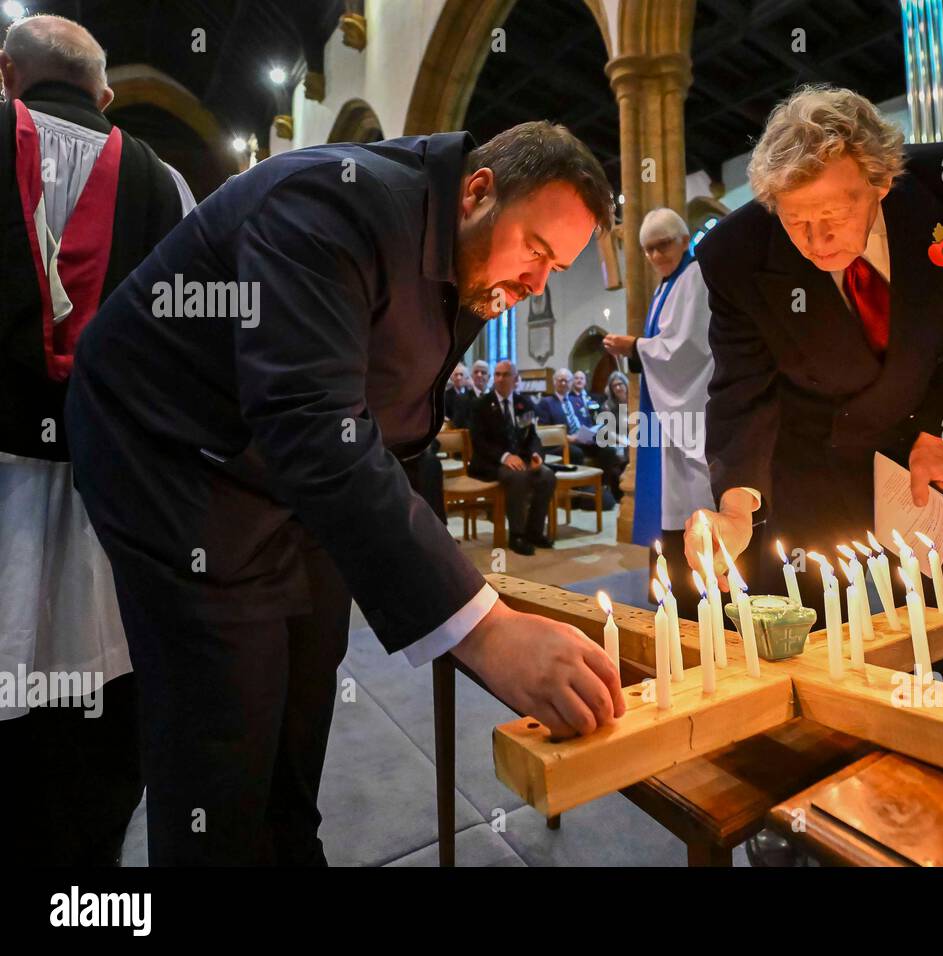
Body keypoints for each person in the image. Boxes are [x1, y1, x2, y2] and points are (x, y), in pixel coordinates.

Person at [64, 120, 625, 865]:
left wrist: (451, 588)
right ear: (478, 191)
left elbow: (381, 423)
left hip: (291, 477)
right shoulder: (331, 205)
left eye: (556, 270)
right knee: (225, 726)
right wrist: (487, 630)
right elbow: (309, 418)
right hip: (177, 464)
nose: (534, 285)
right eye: (536, 251)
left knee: (303, 698)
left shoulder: (457, 254)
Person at [683, 85, 943, 613]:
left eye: (834, 217)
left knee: (935, 627)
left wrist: (940, 432)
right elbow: (741, 387)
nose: (818, 242)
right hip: (808, 453)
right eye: (797, 222)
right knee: (803, 630)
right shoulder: (735, 253)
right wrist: (735, 507)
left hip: (920, 443)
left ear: (882, 180)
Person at [0, 13, 194, 865]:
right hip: (110, 521)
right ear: (105, 96)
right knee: (98, 761)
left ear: (6, 74)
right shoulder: (169, 185)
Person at [604, 207, 715, 608]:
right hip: (669, 410)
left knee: (689, 496)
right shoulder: (664, 286)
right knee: (671, 499)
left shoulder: (695, 278)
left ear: (684, 241)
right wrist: (637, 348)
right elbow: (667, 347)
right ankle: (675, 592)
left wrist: (634, 346)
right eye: (648, 249)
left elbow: (687, 349)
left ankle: (696, 596)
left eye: (662, 245)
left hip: (690, 410)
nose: (655, 256)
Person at [469, 359, 557, 555]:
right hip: (490, 463)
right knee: (518, 476)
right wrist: (506, 456)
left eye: (505, 374)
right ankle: (517, 535)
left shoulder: (523, 404)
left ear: (515, 379)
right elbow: (479, 441)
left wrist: (535, 454)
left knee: (547, 476)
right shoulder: (481, 404)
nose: (500, 379)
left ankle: (534, 531)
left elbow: (531, 435)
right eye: (497, 374)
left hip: (521, 459)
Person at [536, 365, 622, 505]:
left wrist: (590, 434)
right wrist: (569, 439)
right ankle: (578, 493)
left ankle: (602, 488)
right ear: (554, 382)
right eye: (560, 380)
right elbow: (545, 431)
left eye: (567, 380)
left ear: (571, 383)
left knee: (608, 450)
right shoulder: (546, 402)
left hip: (581, 440)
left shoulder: (576, 401)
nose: (564, 383)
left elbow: (586, 421)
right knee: (575, 452)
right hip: (560, 445)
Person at [454, 358, 491, 427]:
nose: (479, 375)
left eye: (483, 372)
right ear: (471, 376)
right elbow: (459, 423)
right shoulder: (462, 399)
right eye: (476, 372)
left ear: (489, 377)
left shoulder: (496, 397)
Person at [443, 362, 469, 426]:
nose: (458, 378)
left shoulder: (471, 394)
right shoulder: (445, 396)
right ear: (452, 378)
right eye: (456, 375)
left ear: (466, 378)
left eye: (461, 375)